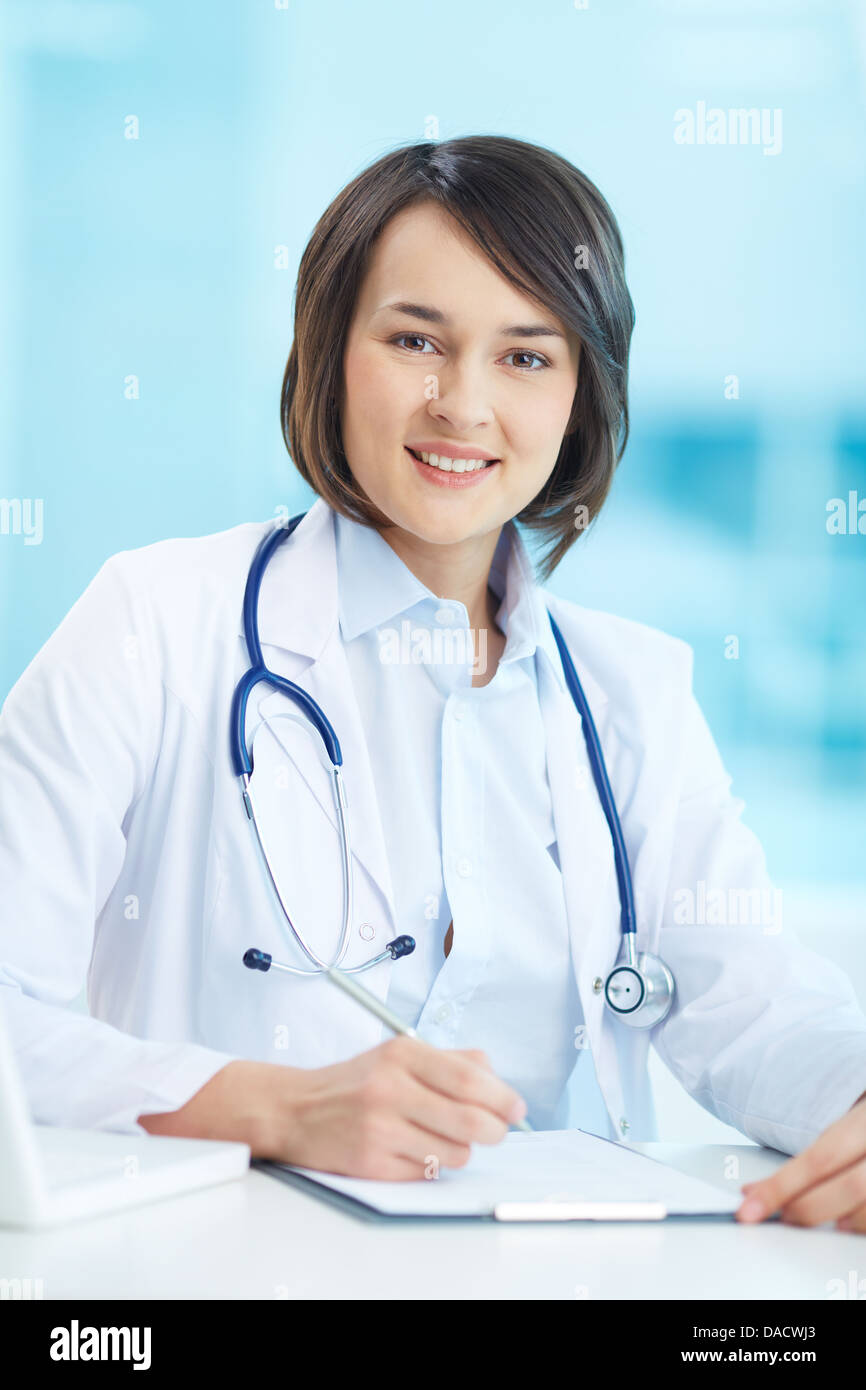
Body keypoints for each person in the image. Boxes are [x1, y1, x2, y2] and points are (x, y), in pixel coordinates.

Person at [2, 135, 866, 1230]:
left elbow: (750, 1006)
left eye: (525, 356)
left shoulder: (628, 693)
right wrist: (270, 1106)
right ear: (329, 351)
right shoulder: (156, 624)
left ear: (578, 395)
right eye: (416, 339)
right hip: (217, 1274)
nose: (461, 404)